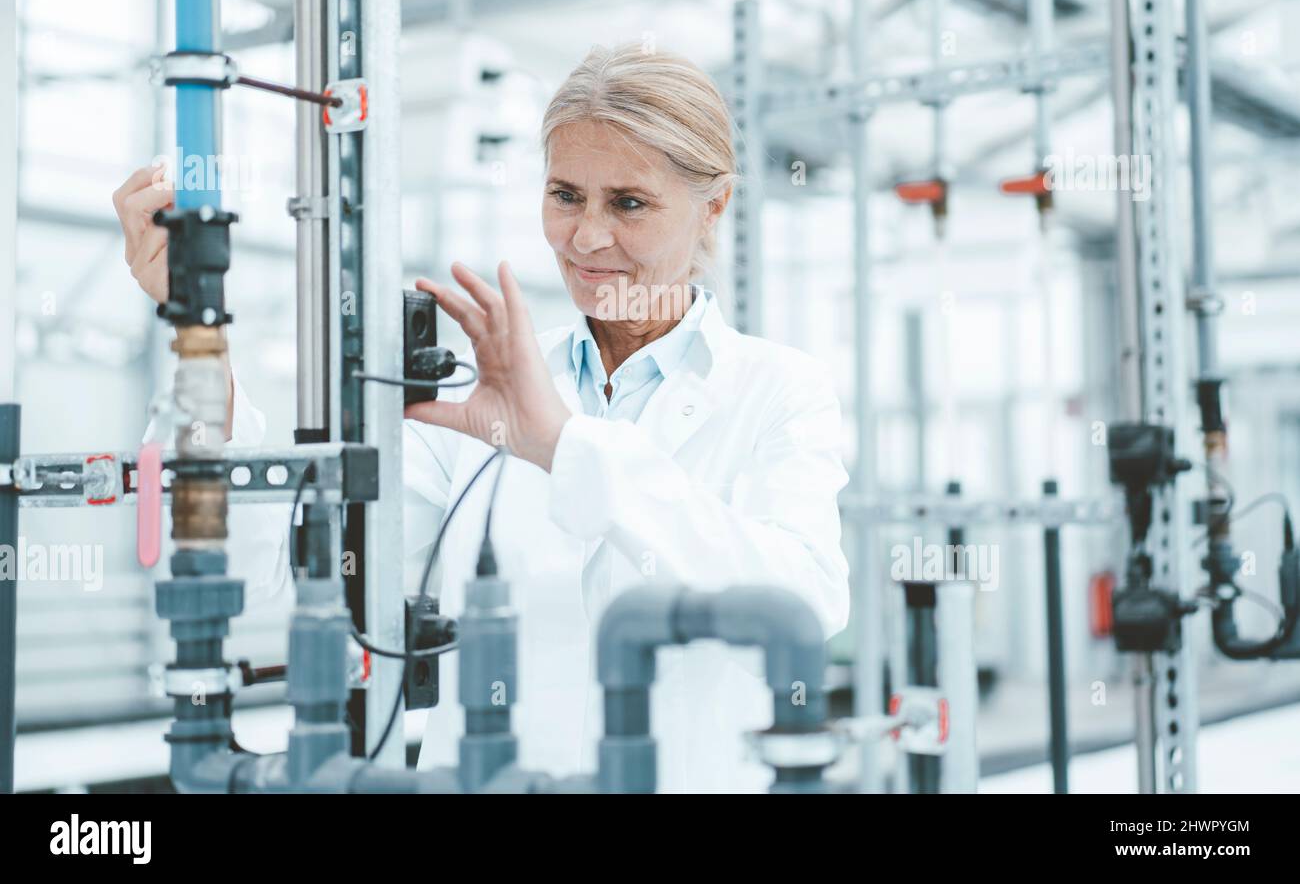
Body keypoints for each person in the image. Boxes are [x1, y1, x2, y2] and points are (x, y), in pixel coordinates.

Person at [114, 42, 851, 793]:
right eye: (566, 195)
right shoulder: (483, 387)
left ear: (714, 205)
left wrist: (564, 445)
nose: (588, 236)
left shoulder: (778, 389)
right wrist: (194, 326)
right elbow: (279, 557)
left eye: (628, 202)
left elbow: (804, 602)